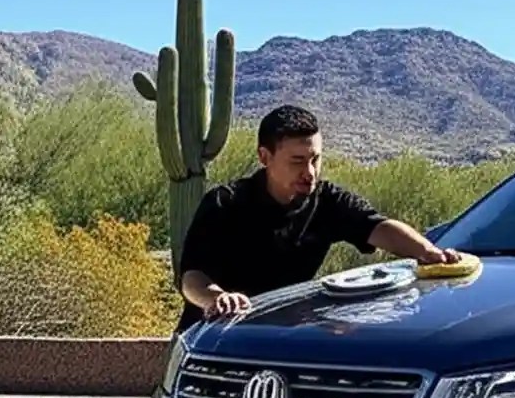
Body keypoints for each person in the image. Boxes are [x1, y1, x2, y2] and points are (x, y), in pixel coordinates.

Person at [172, 104, 460, 332]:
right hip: (212, 335)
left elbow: (378, 227)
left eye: (315, 159)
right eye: (297, 161)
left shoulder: (327, 201)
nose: (309, 172)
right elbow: (191, 278)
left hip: (279, 334)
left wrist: (428, 252)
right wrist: (218, 299)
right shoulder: (225, 203)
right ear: (265, 157)